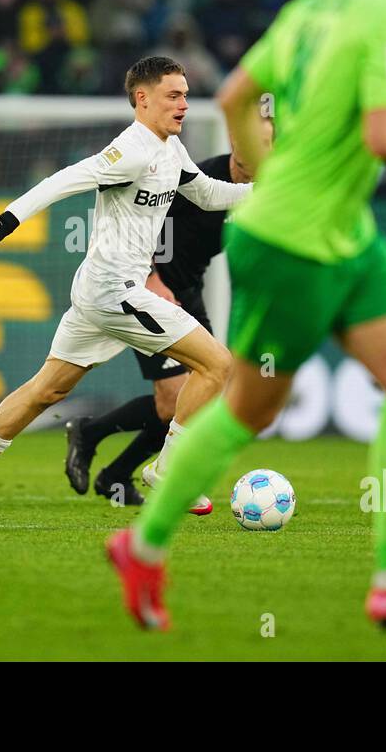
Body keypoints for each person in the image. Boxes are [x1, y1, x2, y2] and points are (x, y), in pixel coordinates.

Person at [106, 0, 386, 632]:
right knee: (251, 406)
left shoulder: (308, 9)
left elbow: (234, 95)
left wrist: (267, 167)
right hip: (297, 238)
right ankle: (143, 544)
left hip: (343, 233)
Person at [0, 56, 251, 526]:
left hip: (99, 290)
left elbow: (205, 193)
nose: (184, 104)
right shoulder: (132, 150)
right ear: (142, 99)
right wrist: (6, 220)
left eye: (185, 95)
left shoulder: (170, 149)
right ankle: (170, 471)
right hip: (115, 290)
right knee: (217, 365)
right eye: (173, 95)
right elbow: (66, 179)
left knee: (47, 389)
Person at [65, 124, 272, 505]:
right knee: (173, 400)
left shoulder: (262, 193)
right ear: (234, 140)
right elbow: (145, 219)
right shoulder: (200, 178)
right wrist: (152, 277)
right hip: (146, 288)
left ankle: (112, 469)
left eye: (269, 142)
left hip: (189, 290)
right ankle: (93, 436)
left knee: (202, 394)